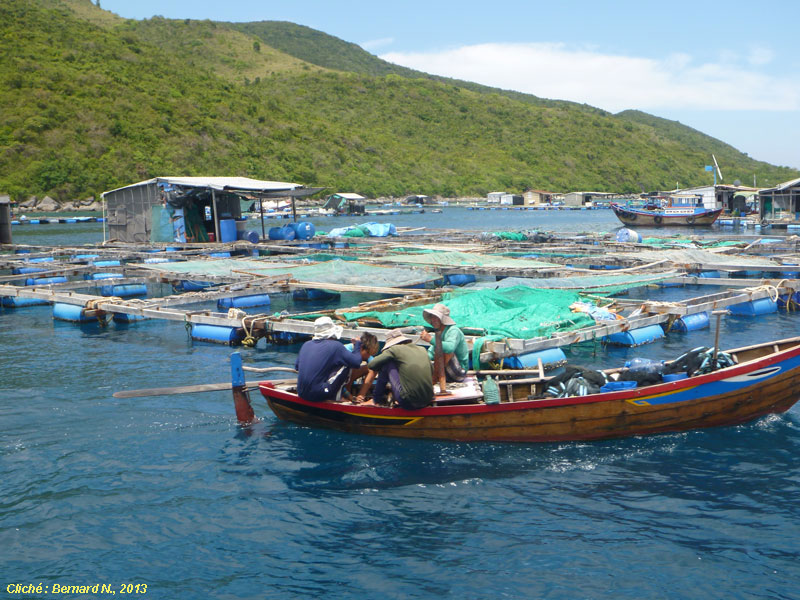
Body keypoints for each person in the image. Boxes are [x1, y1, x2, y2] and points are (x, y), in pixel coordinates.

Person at [355, 330, 433, 410]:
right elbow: (431, 371)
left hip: (408, 401)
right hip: (427, 400)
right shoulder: (422, 350)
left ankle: (375, 400)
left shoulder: (394, 349)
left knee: (387, 364)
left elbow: (372, 365)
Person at [295, 316, 363, 402]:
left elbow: (297, 367)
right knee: (346, 365)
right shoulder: (336, 346)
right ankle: (338, 397)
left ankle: (341, 393)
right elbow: (356, 363)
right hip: (319, 394)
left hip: (301, 393)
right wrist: (357, 345)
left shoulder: (306, 344)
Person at [419, 303, 468, 382]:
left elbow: (450, 348)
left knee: (446, 352)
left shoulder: (453, 330)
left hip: (459, 372)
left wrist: (430, 340)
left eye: (436, 318)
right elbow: (431, 353)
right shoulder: (439, 333)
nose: (433, 320)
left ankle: (434, 380)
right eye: (432, 317)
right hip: (446, 371)